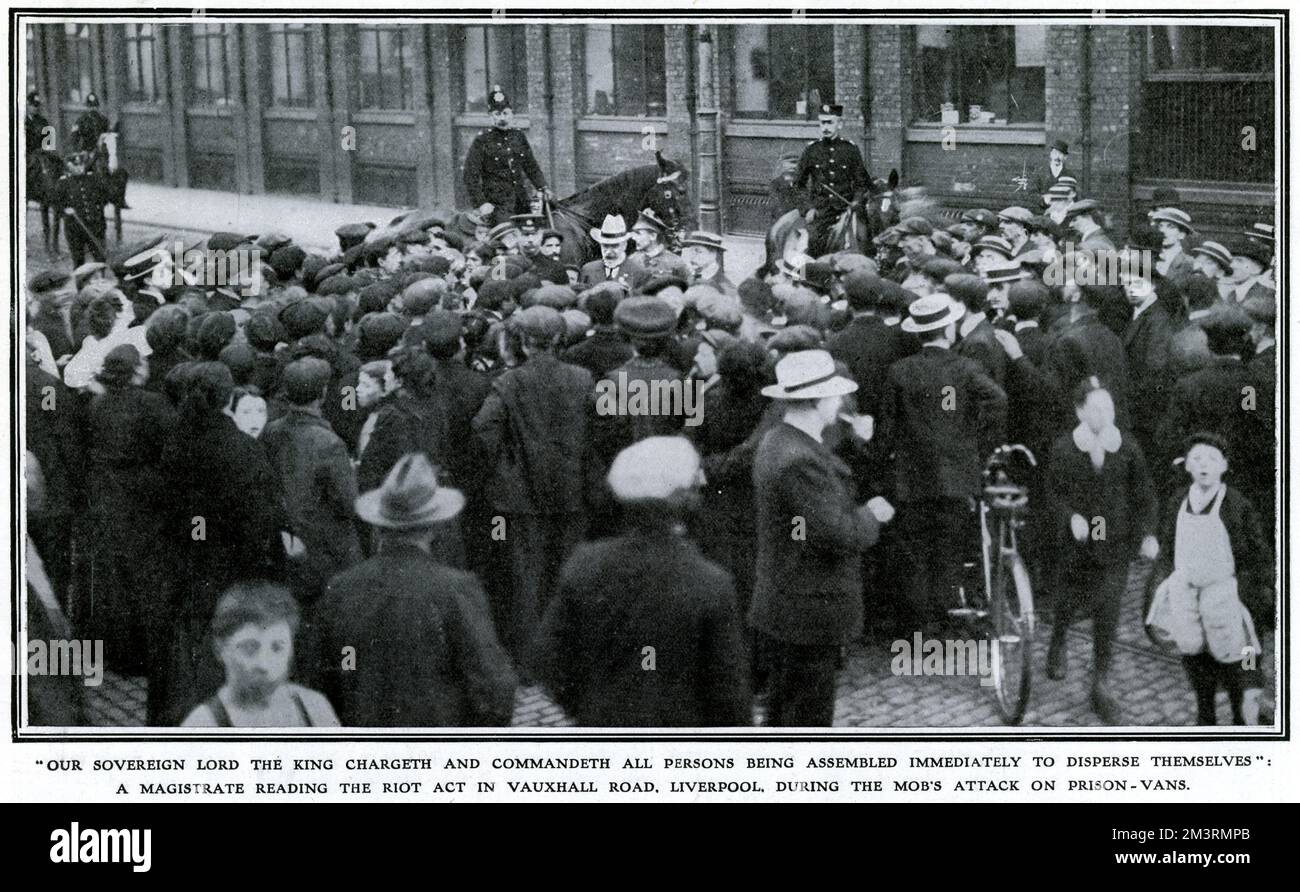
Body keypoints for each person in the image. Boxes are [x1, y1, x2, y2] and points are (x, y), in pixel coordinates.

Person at [534, 436, 750, 726]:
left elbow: (547, 661)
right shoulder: (710, 583)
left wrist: (588, 706)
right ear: (681, 499)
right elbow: (730, 696)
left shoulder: (583, 565)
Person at [312, 453, 517, 726]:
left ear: (379, 526)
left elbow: (322, 685)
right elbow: (494, 688)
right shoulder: (455, 589)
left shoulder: (341, 589)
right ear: (434, 527)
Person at [750, 350, 889, 726]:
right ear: (820, 400)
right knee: (807, 716)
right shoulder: (801, 459)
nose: (840, 403)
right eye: (835, 395)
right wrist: (872, 514)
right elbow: (837, 533)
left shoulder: (782, 439)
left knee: (785, 710)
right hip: (808, 608)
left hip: (788, 603)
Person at [471, 306, 594, 665]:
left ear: (523, 342)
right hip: (572, 491)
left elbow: (484, 430)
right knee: (568, 572)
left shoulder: (508, 382)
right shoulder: (583, 378)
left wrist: (504, 468)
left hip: (521, 498)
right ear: (559, 340)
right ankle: (569, 656)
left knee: (526, 578)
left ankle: (529, 659)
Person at [879, 294, 1007, 625]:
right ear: (948, 329)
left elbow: (888, 429)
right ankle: (947, 615)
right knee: (949, 551)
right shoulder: (965, 368)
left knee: (916, 553)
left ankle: (920, 627)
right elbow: (997, 399)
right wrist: (975, 442)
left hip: (912, 477)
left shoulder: (899, 372)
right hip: (957, 475)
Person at [1045, 378, 1158, 725]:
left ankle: (1100, 683)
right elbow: (1051, 495)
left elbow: (1144, 495)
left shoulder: (1126, 448)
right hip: (1075, 549)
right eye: (1095, 408)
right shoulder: (1064, 448)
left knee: (1108, 613)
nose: (1103, 415)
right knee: (1067, 602)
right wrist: (1071, 517)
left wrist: (1148, 534)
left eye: (1108, 408)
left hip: (1115, 547)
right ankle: (1059, 639)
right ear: (1080, 411)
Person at [1148, 434, 1271, 725]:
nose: (1204, 465)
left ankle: (1244, 724)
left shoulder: (1236, 505)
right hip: (1188, 596)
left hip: (1227, 597)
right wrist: (1170, 581)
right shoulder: (1178, 501)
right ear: (1187, 465)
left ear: (1224, 466)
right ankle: (1206, 717)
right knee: (1195, 655)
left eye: (1212, 459)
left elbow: (1258, 556)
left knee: (1239, 667)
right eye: (1197, 458)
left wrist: (1244, 596)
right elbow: (1169, 547)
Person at [260, 357, 363, 606]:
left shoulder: (271, 430)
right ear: (323, 393)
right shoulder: (329, 442)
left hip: (289, 542)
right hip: (327, 550)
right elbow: (349, 503)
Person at [182, 583, 339, 727]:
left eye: (277, 647)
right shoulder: (201, 724)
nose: (264, 664)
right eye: (249, 648)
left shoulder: (314, 707)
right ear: (220, 649)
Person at [795, 101, 873, 257]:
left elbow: (861, 183)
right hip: (821, 212)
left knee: (867, 241)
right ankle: (808, 278)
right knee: (812, 244)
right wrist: (808, 208)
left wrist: (856, 202)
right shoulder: (812, 150)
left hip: (847, 209)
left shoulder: (850, 150)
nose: (825, 127)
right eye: (822, 123)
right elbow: (799, 185)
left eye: (830, 123)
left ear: (839, 124)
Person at [462, 86, 548, 226]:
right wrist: (482, 203)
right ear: (491, 116)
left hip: (521, 201)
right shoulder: (482, 140)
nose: (502, 118)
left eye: (506, 113)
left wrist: (543, 187)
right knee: (507, 238)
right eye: (497, 114)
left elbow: (531, 167)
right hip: (497, 206)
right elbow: (470, 176)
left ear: (512, 114)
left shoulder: (518, 136)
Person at [53, 152, 107, 267]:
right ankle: (80, 283)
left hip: (94, 226)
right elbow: (56, 203)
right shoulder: (63, 182)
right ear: (69, 166)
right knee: (78, 260)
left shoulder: (93, 179)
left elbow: (104, 196)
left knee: (100, 257)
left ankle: (101, 280)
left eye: (81, 165)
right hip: (75, 228)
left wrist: (98, 210)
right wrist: (65, 210)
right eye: (75, 165)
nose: (79, 168)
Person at [579, 214, 645, 289]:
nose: (609, 251)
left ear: (624, 245)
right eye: (605, 246)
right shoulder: (588, 270)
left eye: (614, 246)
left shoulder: (638, 272)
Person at [629, 208, 691, 282]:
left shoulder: (675, 262)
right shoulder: (633, 260)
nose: (633, 238)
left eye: (638, 233)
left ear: (653, 236)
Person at [680, 230, 737, 296]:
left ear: (713, 254)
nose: (691, 256)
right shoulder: (688, 277)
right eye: (690, 251)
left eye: (698, 251)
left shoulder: (724, 288)